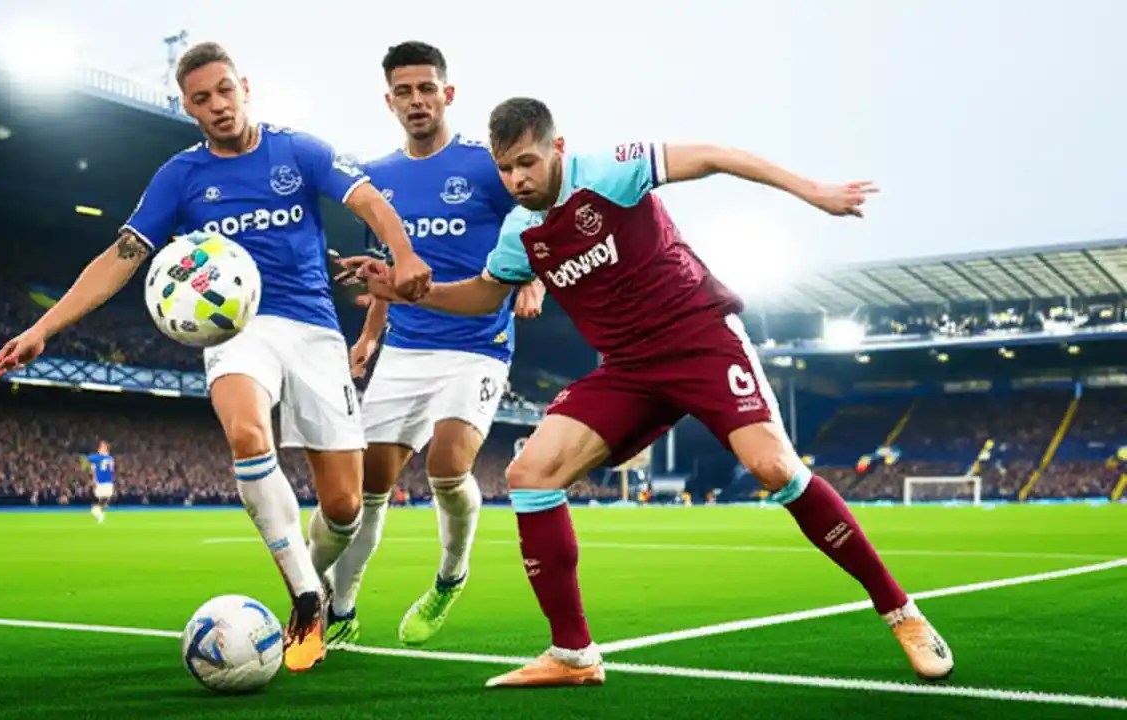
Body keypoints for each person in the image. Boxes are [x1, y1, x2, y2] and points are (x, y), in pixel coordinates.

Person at [352, 96, 953, 687]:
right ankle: (573, 655)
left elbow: (716, 156)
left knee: (773, 467)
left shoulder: (612, 170)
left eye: (528, 163)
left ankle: (903, 613)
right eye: (506, 168)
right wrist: (408, 292)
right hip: (628, 369)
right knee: (530, 474)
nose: (516, 179)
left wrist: (811, 190)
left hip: (699, 340)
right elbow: (487, 293)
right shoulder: (521, 232)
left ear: (557, 148)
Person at [0, 41, 431, 673]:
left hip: (313, 331)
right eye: (201, 99)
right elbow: (122, 257)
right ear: (188, 108)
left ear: (244, 86)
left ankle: (316, 576)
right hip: (234, 328)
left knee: (343, 508)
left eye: (225, 90)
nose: (218, 105)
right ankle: (306, 596)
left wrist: (404, 254)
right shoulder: (180, 177)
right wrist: (44, 328)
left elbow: (368, 202)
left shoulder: (297, 149)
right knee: (247, 432)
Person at [320, 41, 544, 649]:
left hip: (477, 341)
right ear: (388, 101)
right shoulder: (378, 180)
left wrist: (534, 279)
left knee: (448, 464)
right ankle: (340, 609)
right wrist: (368, 338)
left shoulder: (483, 164)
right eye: (403, 91)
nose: (416, 100)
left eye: (426, 88)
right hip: (406, 351)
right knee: (366, 488)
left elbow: (538, 212)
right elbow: (389, 273)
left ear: (448, 94)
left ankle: (450, 575)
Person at [83, 440, 116, 524]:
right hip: (108, 483)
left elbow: (85, 459)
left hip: (101, 483)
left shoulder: (98, 457)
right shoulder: (110, 458)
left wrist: (86, 467)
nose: (99, 448)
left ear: (105, 449)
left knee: (101, 502)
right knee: (104, 500)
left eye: (101, 447)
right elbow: (110, 470)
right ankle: (99, 512)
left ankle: (97, 511)